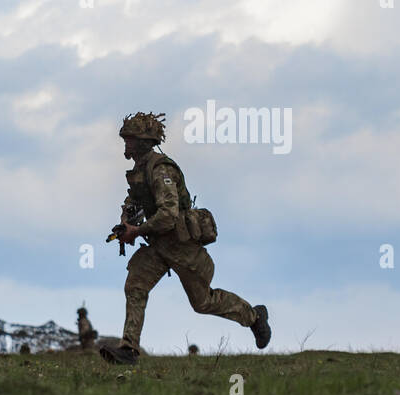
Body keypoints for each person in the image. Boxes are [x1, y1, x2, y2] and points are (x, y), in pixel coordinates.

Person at [101, 111, 272, 365]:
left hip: (182, 246)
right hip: (158, 247)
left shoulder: (160, 169)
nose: (125, 143)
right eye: (125, 137)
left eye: (130, 138)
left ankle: (254, 317)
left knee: (203, 302)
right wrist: (125, 225)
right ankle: (129, 349)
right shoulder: (139, 170)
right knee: (135, 286)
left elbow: (168, 215)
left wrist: (138, 231)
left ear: (144, 141)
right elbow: (134, 202)